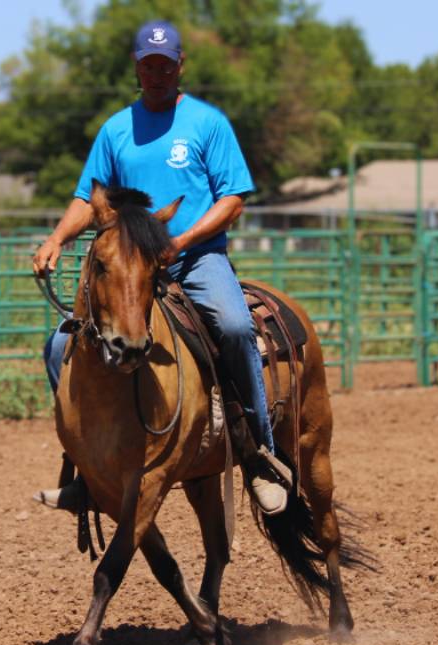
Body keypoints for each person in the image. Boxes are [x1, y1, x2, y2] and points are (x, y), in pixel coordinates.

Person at [31, 19, 290, 515]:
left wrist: (183, 239)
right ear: (137, 67)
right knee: (60, 344)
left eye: (165, 65)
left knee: (235, 327)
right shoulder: (115, 129)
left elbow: (233, 199)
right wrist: (58, 238)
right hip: (132, 270)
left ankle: (258, 454)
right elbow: (90, 196)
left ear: (180, 66)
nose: (157, 74)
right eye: (149, 65)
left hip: (196, 260)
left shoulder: (207, 123)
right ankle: (85, 469)